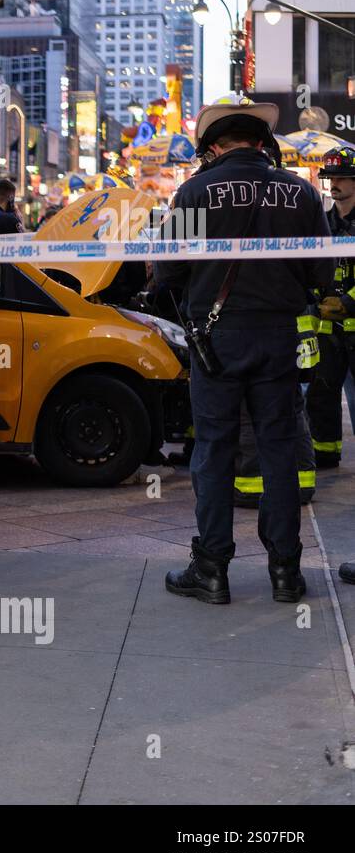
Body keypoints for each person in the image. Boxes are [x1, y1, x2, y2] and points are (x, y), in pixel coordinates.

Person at [156, 95, 333, 606]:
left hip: (217, 340)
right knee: (279, 449)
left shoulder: (193, 193)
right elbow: (321, 273)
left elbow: (168, 272)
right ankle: (286, 572)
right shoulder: (300, 193)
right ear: (264, 145)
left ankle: (211, 569)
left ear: (212, 148)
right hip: (280, 337)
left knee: (214, 450)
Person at [303, 146, 355, 468]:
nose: (333, 182)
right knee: (321, 396)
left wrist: (348, 302)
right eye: (329, 177)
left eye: (340, 177)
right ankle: (324, 455)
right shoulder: (321, 223)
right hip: (326, 329)